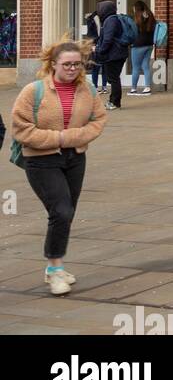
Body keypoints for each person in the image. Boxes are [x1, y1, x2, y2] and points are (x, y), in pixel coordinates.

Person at [9, 39, 107, 295]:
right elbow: (21, 128)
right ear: (53, 65)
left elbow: (98, 120)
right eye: (67, 64)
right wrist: (59, 138)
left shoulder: (88, 90)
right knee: (61, 211)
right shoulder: (33, 91)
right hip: (41, 160)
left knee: (67, 212)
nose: (73, 68)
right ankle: (55, 269)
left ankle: (54, 264)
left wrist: (73, 139)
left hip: (75, 158)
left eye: (77, 64)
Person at [91, 0, 128, 111]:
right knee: (113, 78)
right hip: (117, 53)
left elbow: (108, 39)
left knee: (114, 78)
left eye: (100, 9)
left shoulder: (110, 21)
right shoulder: (112, 19)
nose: (99, 11)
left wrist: (99, 50)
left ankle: (115, 102)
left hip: (114, 55)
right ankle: (113, 101)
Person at [128, 1, 156, 95]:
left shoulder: (137, 17)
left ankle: (133, 89)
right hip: (149, 44)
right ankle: (147, 87)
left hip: (138, 45)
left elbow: (133, 31)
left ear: (137, 8)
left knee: (136, 67)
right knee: (145, 66)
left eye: (134, 8)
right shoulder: (150, 16)